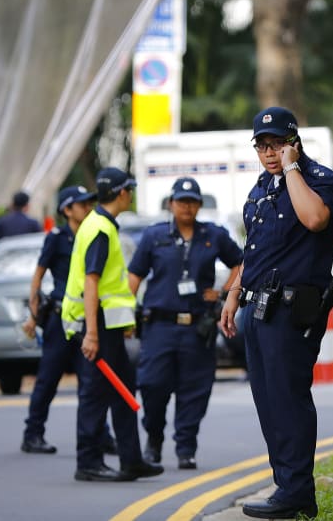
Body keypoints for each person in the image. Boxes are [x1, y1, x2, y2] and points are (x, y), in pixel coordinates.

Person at [220, 106, 333, 520]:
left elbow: (314, 219)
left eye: (276, 145)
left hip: (292, 310)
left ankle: (295, 490)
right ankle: (287, 487)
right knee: (268, 400)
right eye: (263, 146)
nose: (269, 153)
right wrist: (234, 294)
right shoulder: (262, 188)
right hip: (258, 307)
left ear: (294, 142)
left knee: (288, 399)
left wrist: (292, 170)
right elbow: (253, 250)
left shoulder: (318, 180)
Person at [128, 177, 243, 470]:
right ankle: (153, 441)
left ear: (199, 205)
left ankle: (186, 448)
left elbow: (241, 263)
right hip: (159, 326)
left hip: (197, 326)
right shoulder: (154, 236)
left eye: (192, 202)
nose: (187, 207)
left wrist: (224, 294)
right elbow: (134, 278)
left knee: (195, 389)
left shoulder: (213, 235)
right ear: (171, 204)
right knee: (152, 385)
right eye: (181, 201)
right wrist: (124, 314)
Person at [61, 168, 163, 482]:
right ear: (121, 193)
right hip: (95, 328)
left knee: (122, 392)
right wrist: (91, 334)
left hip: (109, 327)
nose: (130, 195)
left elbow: (108, 286)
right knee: (94, 394)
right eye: (129, 190)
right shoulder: (101, 230)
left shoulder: (97, 224)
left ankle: (131, 459)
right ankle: (88, 462)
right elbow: (91, 283)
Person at [21, 185, 118, 455]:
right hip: (59, 320)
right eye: (81, 204)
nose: (87, 208)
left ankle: (101, 435)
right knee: (48, 378)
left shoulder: (91, 233)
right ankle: (33, 433)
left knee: (92, 381)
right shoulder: (56, 237)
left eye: (89, 203)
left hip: (85, 321)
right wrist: (32, 315)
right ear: (67, 210)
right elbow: (38, 275)